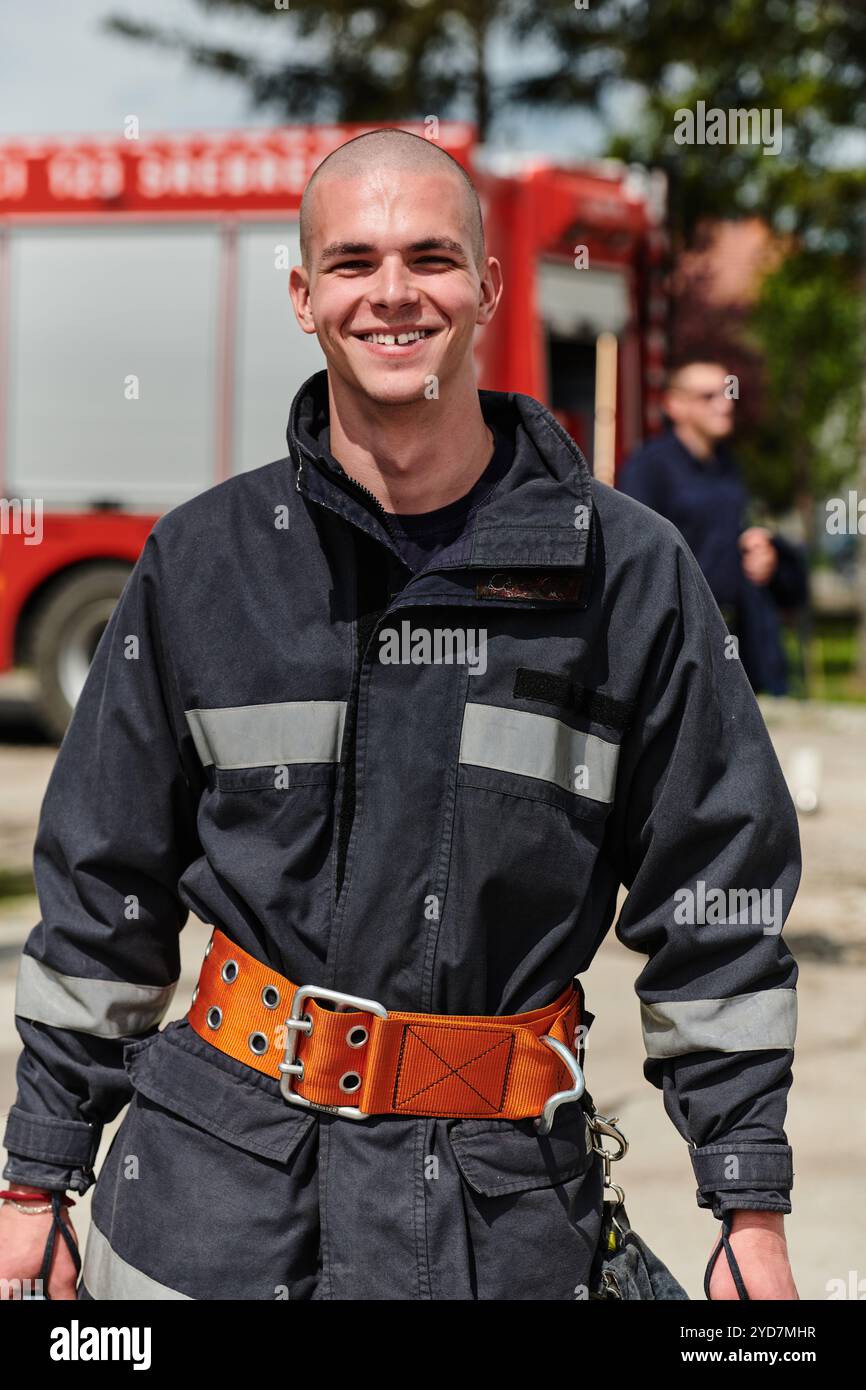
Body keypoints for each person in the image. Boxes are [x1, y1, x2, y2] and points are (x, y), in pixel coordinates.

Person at [0, 130, 800, 1302]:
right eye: (351, 261)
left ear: (486, 286)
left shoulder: (626, 576)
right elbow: (99, 883)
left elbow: (716, 896)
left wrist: (749, 1206)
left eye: (430, 258)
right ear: (301, 294)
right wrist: (35, 1182)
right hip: (205, 1220)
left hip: (504, 1225)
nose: (389, 293)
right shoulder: (206, 564)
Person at [618, 359, 808, 695]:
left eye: (727, 393)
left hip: (739, 645)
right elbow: (635, 555)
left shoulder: (728, 466)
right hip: (679, 650)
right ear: (674, 405)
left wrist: (762, 552)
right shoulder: (648, 468)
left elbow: (729, 538)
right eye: (709, 396)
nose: (725, 404)